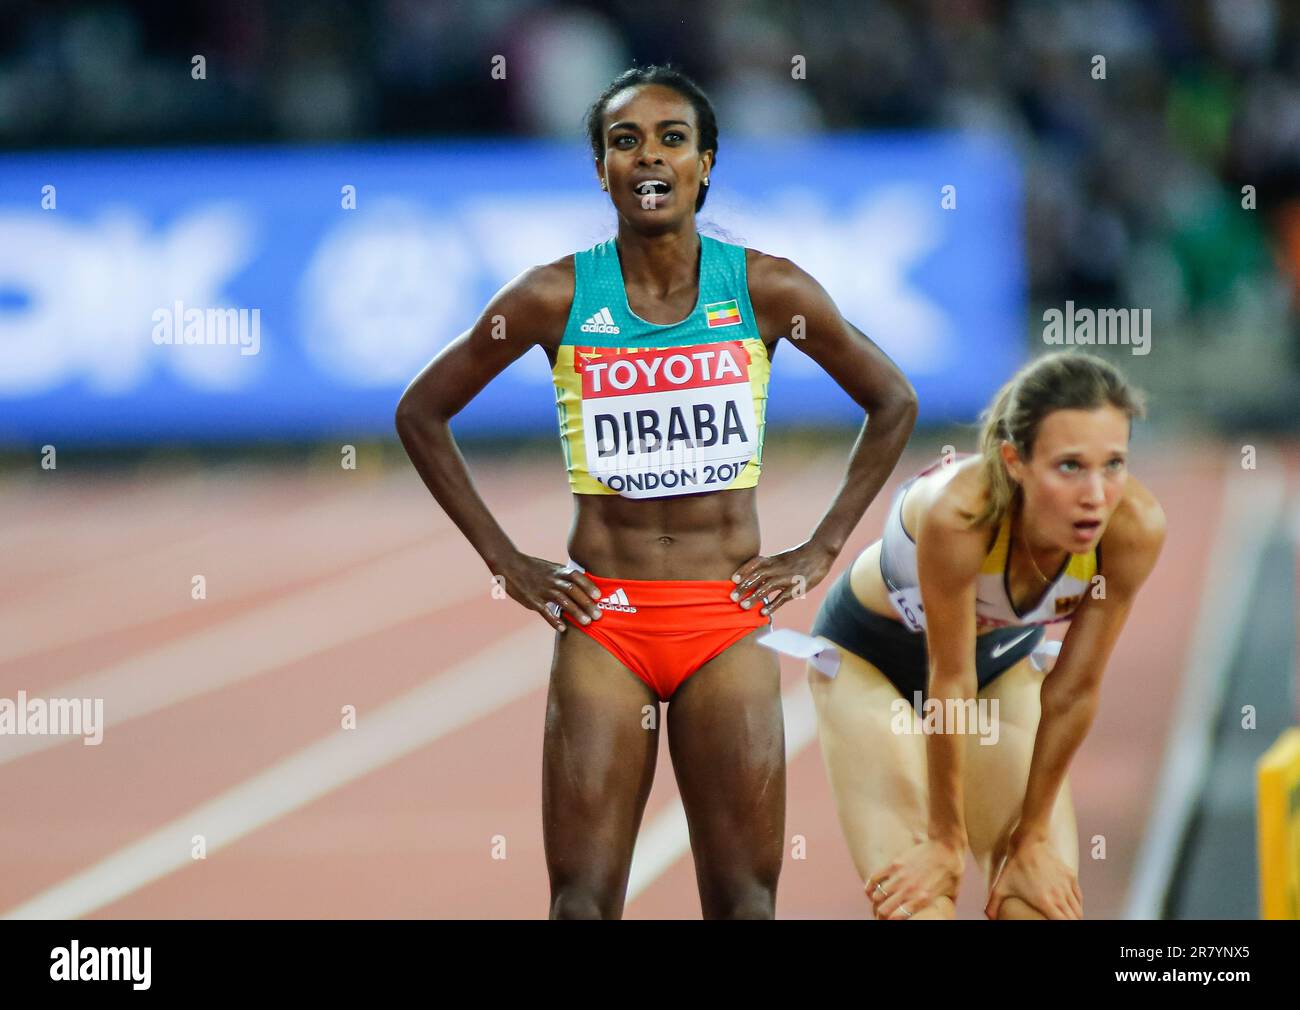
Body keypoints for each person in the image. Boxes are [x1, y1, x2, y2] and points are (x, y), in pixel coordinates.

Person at [395, 64, 917, 919]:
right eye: (624, 141)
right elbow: (421, 411)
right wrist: (507, 562)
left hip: (724, 617)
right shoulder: (552, 297)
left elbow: (892, 400)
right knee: (582, 904)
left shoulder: (765, 289)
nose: (648, 157)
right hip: (606, 622)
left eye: (672, 139)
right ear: (601, 169)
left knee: (745, 903)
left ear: (704, 164)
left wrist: (821, 548)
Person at [806, 351, 1165, 919]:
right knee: (920, 906)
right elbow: (949, 683)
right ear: (1015, 461)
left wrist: (1033, 835)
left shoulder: (1132, 528)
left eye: (1114, 464)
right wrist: (944, 839)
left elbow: (1073, 691)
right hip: (868, 661)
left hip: (1000, 664)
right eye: (1070, 466)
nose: (1096, 495)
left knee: (1035, 903)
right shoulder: (960, 514)